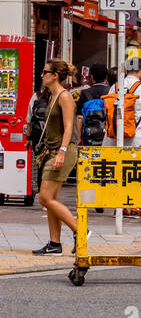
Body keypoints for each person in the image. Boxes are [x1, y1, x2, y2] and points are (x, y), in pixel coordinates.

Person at [31, 60, 79, 255]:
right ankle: (54, 244)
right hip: (53, 151)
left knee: (44, 198)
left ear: (55, 75)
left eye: (45, 72)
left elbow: (69, 127)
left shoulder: (64, 96)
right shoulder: (52, 96)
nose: (42, 75)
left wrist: (62, 151)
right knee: (52, 199)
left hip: (61, 152)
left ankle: (79, 230)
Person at [75, 62, 111, 147]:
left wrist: (79, 138)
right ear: (106, 77)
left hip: (89, 138)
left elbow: (80, 117)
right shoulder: (111, 92)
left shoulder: (84, 93)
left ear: (92, 77)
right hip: (108, 137)